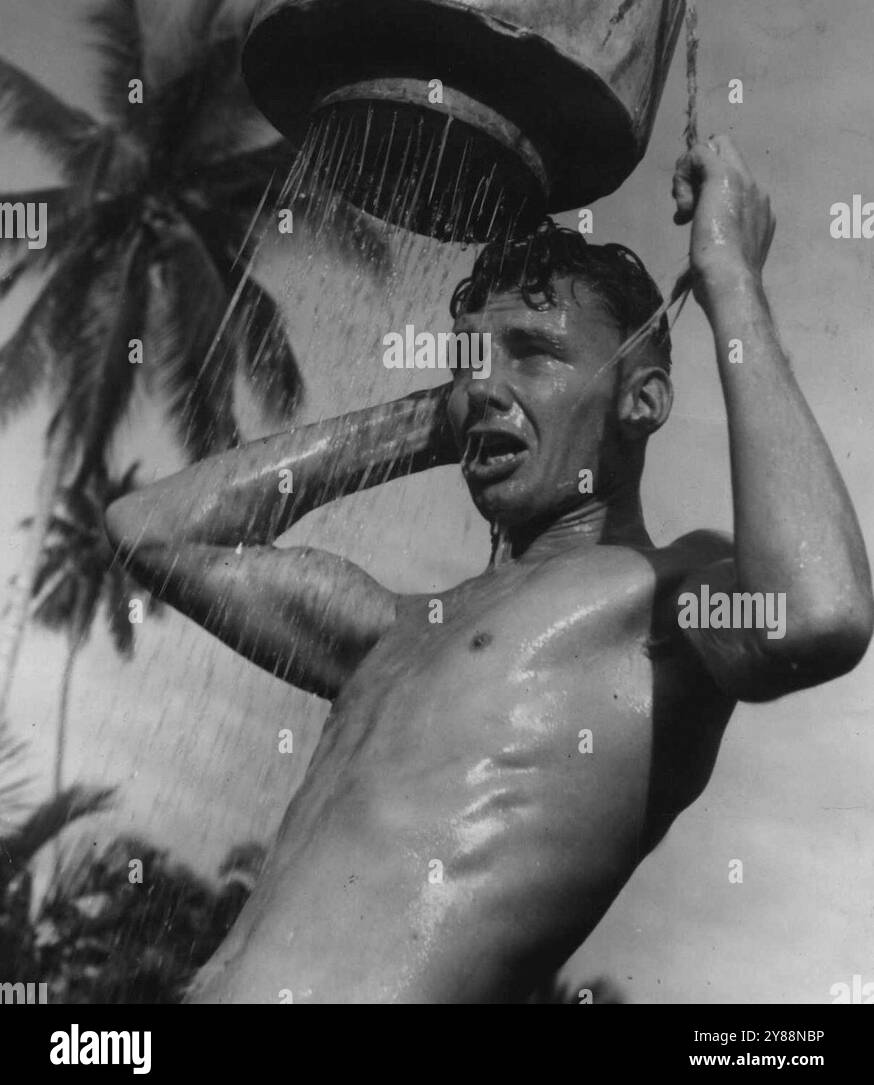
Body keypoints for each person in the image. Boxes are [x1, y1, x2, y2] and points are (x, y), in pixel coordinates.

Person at [105, 135, 873, 1004]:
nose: (483, 383)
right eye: (467, 359)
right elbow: (151, 531)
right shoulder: (389, 633)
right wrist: (441, 418)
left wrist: (731, 277)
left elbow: (818, 613)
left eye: (534, 351)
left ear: (644, 398)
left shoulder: (668, 599)